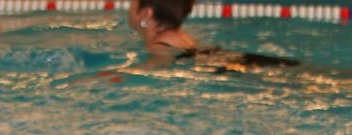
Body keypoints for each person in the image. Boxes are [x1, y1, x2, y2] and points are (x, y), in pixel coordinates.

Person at [127, 0, 300, 71]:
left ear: (146, 13)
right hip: (238, 61)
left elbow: (157, 66)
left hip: (232, 70)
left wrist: (122, 72)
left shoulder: (158, 45)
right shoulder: (182, 37)